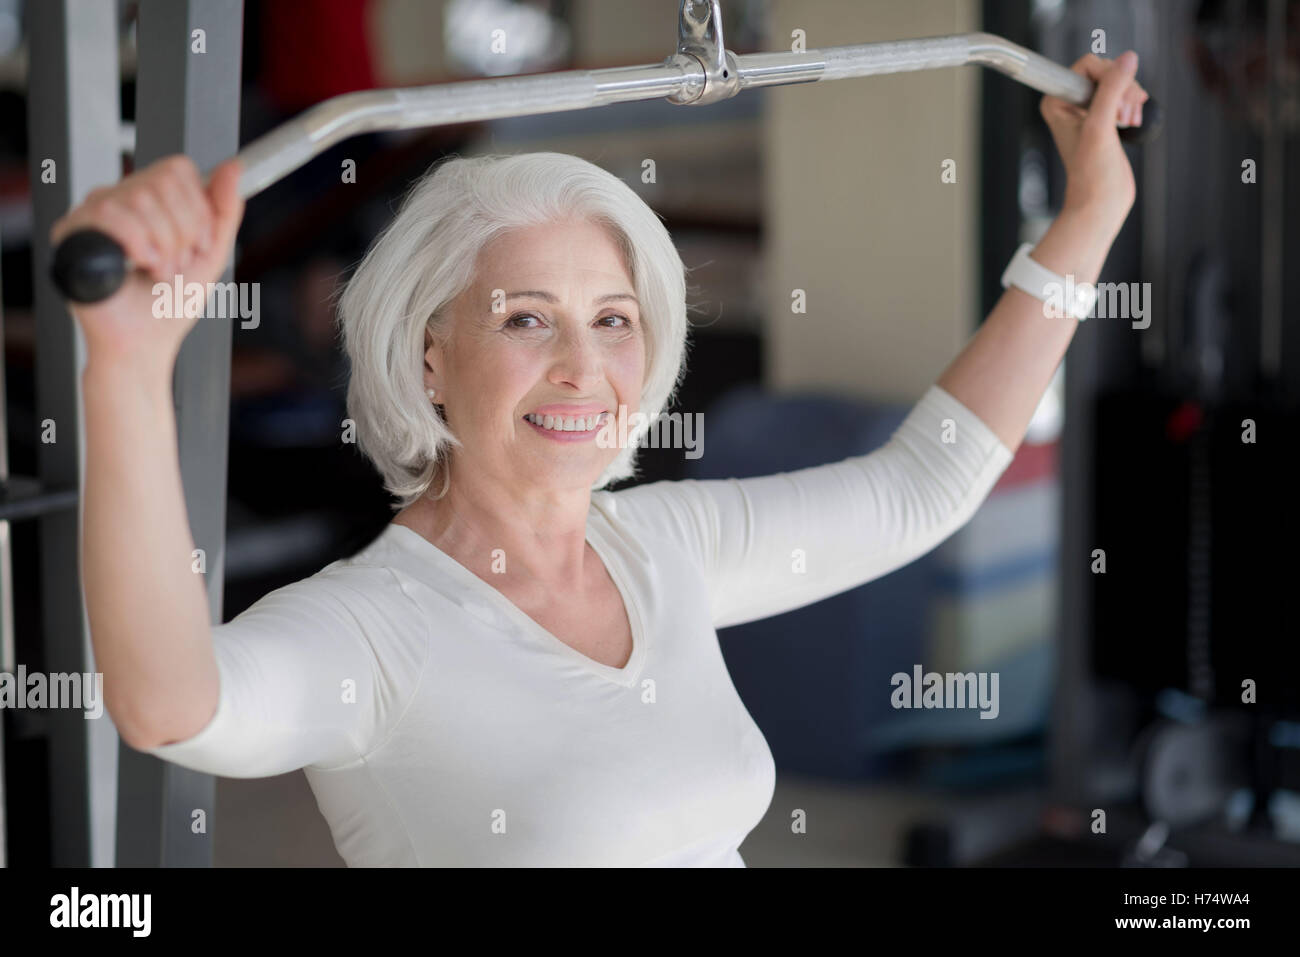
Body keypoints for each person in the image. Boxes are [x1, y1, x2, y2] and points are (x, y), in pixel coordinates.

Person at [51, 52, 1148, 866]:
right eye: (526, 320)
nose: (585, 367)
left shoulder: (664, 544)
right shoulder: (373, 629)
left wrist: (1090, 216)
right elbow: (172, 708)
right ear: (430, 357)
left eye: (613, 320)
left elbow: (922, 485)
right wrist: (129, 374)